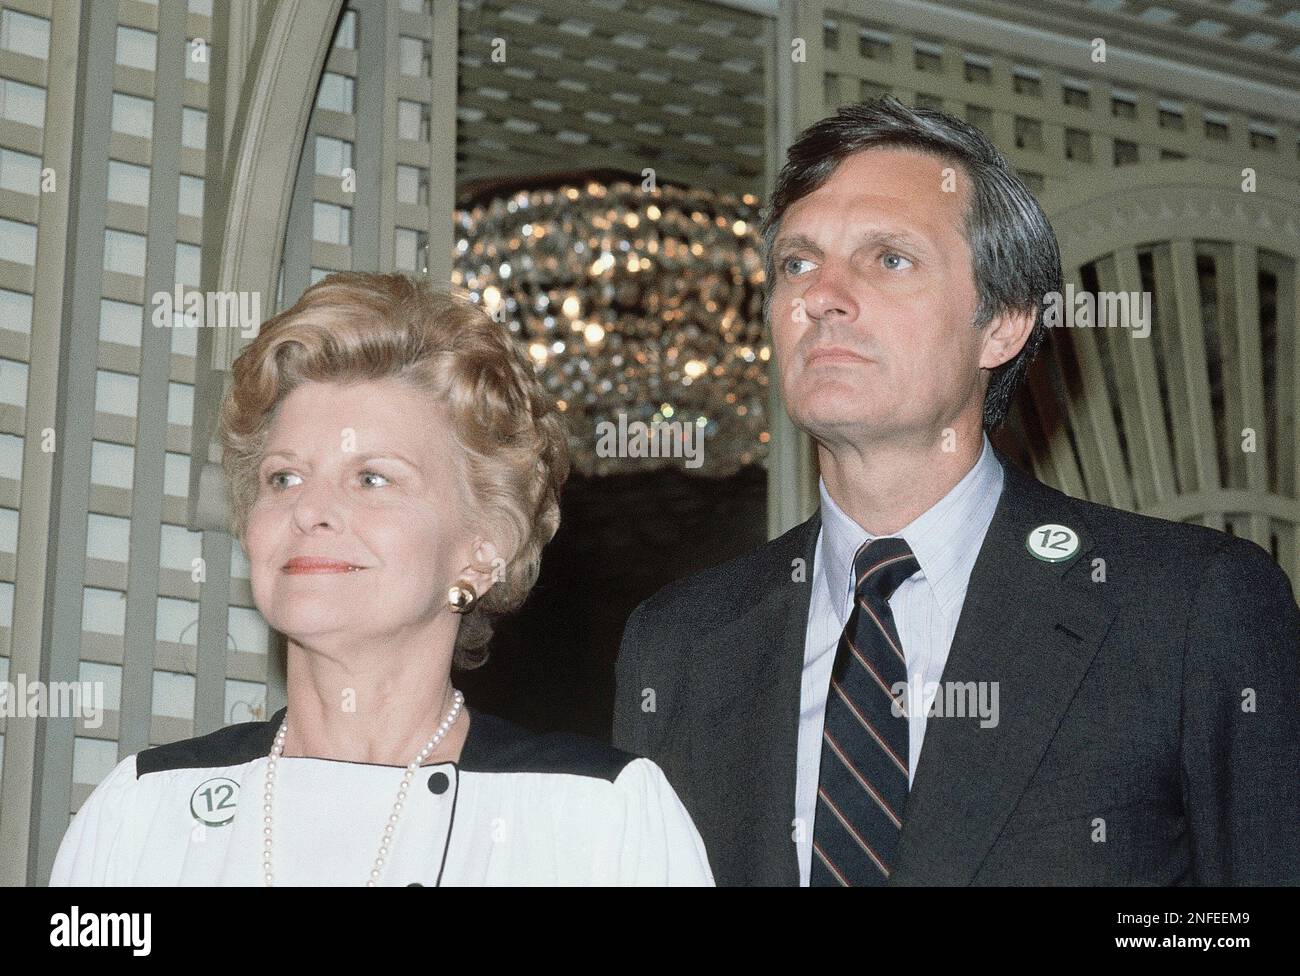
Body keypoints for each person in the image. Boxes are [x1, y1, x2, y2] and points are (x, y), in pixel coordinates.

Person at [612, 96, 1300, 886]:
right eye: (797, 263)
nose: (821, 295)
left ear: (1003, 323)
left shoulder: (1189, 608)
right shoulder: (681, 644)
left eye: (888, 259)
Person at [51, 272, 713, 886]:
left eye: (373, 477)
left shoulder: (596, 817)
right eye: (284, 477)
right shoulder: (144, 809)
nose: (308, 509)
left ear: (481, 551)